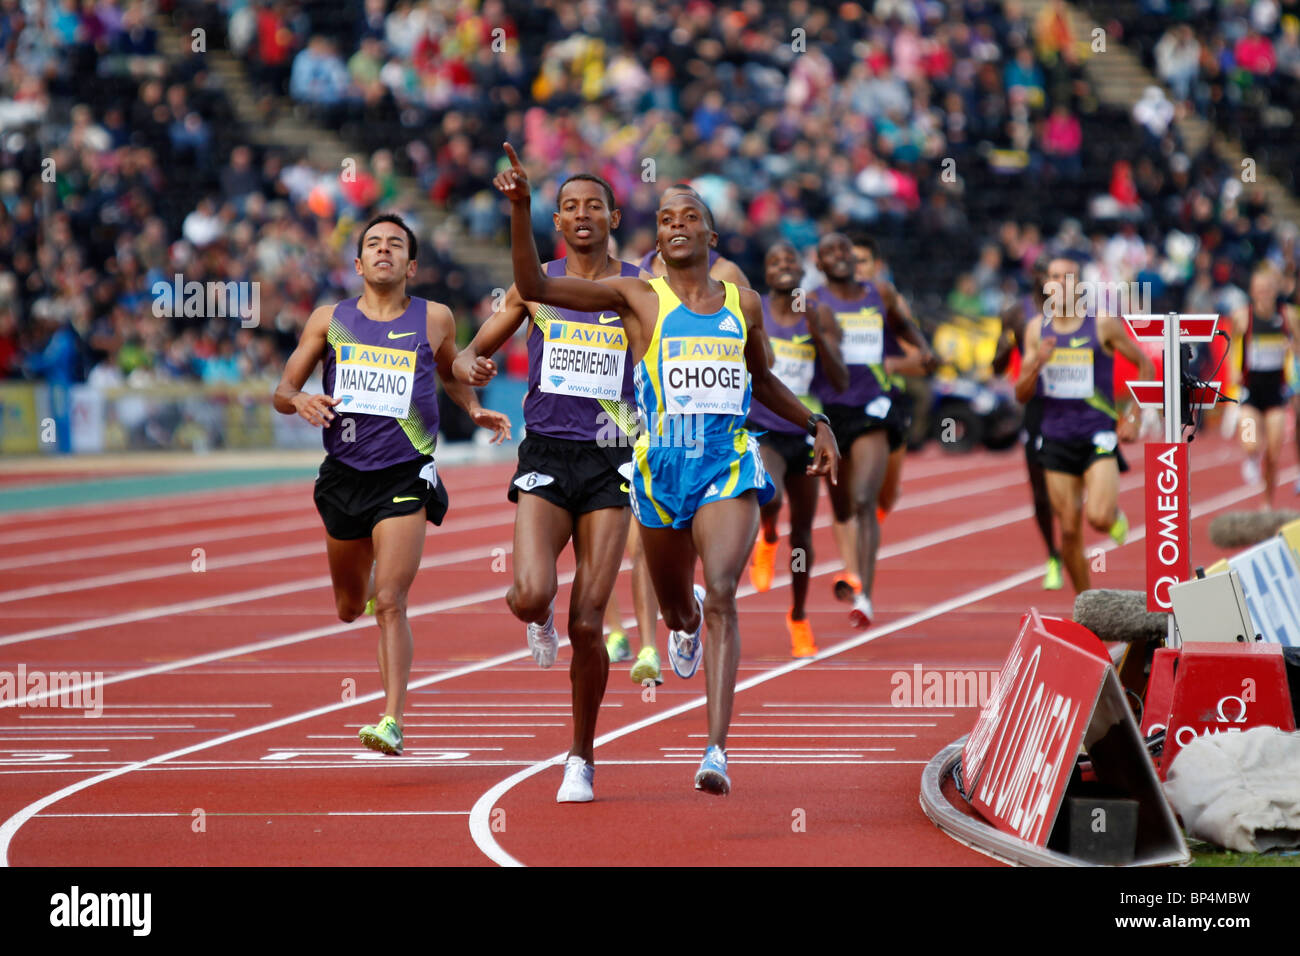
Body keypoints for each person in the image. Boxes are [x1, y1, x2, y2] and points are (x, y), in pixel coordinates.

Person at [495, 143, 839, 795]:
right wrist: (521, 210)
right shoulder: (635, 295)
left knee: (724, 596)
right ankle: (683, 622)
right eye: (666, 218)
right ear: (657, 236)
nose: (676, 224)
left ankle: (714, 751)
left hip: (725, 462)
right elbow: (536, 287)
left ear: (711, 234)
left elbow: (761, 381)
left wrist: (816, 422)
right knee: (680, 606)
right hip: (656, 470)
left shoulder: (745, 303)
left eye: (689, 216)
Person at [273, 213, 510, 756]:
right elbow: (282, 388)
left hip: (406, 474)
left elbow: (451, 372)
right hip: (343, 477)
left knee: (391, 600)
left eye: (395, 245)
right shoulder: (328, 320)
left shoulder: (435, 319)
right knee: (348, 605)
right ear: (357, 264)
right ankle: (366, 574)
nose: (384, 251)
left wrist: (472, 408)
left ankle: (391, 718)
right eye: (374, 245)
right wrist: (301, 399)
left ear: (412, 264)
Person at [453, 172, 649, 802]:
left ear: (614, 217)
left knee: (589, 623)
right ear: (558, 222)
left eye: (594, 205)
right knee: (530, 593)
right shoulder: (534, 286)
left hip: (613, 455)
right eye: (569, 207)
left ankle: (581, 756)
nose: (582, 213)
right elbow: (465, 356)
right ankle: (535, 618)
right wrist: (471, 371)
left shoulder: (636, 291)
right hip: (546, 452)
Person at [811, 232, 939, 629]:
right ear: (818, 263)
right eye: (830, 252)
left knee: (867, 499)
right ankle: (851, 568)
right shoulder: (813, 301)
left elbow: (908, 332)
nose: (842, 257)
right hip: (830, 411)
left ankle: (863, 592)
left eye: (847, 251)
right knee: (843, 503)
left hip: (874, 406)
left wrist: (920, 350)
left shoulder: (879, 294)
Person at [1015, 255, 1154, 593]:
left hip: (1098, 434)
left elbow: (1145, 366)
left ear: (1078, 285)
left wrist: (1135, 416)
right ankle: (1086, 605)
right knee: (1070, 531)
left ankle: (1115, 519)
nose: (1060, 284)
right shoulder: (1036, 330)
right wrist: (1036, 365)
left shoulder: (1102, 323)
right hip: (1056, 439)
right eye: (1054, 277)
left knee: (1098, 517)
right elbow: (1021, 393)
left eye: (1067, 278)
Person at [746, 240, 847, 657]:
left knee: (803, 534)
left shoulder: (818, 312)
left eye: (790, 259)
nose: (784, 264)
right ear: (766, 273)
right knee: (771, 493)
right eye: (775, 260)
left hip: (804, 431)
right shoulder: (754, 311)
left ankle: (799, 615)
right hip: (763, 427)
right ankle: (767, 534)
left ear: (802, 271)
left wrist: (817, 335)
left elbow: (839, 380)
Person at [993, 255, 1063, 589]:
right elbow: (995, 367)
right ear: (1036, 275)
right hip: (1036, 405)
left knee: (1074, 482)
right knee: (1040, 490)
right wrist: (1007, 346)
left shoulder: (1078, 311)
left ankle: (1101, 513)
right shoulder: (1016, 314)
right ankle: (1053, 555)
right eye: (1049, 273)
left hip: (1075, 406)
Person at [1230, 262, 1297, 507]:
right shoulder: (1242, 316)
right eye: (1259, 289)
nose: (1264, 293)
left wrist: (1292, 348)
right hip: (1250, 390)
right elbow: (1229, 347)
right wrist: (1234, 373)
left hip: (1275, 393)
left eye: (1268, 288)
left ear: (1275, 289)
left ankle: (1267, 500)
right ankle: (1250, 458)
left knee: (1274, 454)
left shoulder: (1287, 315)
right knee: (1249, 440)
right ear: (1252, 291)